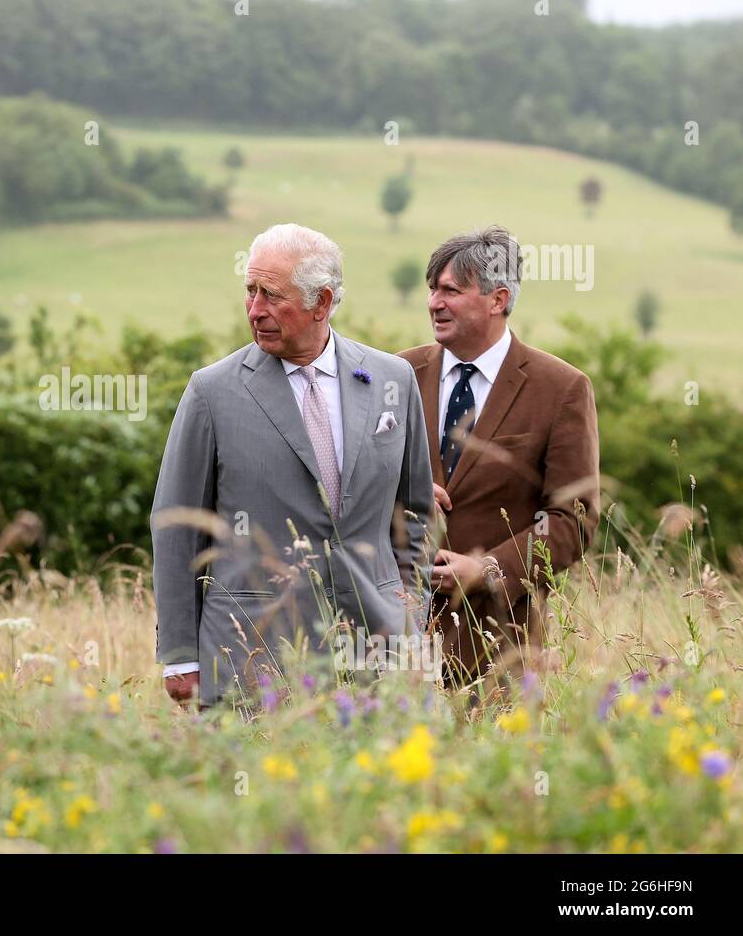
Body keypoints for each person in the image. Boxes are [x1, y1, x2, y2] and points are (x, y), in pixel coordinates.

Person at [152, 224, 434, 708]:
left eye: (271, 295)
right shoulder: (212, 392)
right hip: (250, 657)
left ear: (321, 303)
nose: (255, 309)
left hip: (378, 654)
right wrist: (180, 655)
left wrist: (410, 608)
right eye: (250, 290)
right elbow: (176, 526)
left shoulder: (394, 379)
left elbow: (415, 515)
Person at [398, 226, 600, 685]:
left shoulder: (562, 389)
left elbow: (574, 519)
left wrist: (487, 569)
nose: (434, 302)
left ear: (498, 299)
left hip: (497, 645)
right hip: (390, 641)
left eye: (451, 290)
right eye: (432, 289)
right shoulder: (396, 372)